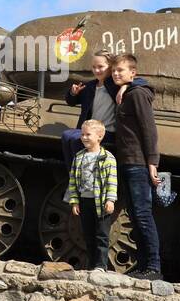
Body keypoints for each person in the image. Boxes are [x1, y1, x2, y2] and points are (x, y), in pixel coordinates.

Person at [112, 53, 162, 279]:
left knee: (142, 215)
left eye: (120, 70)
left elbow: (148, 128)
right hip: (127, 161)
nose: (115, 73)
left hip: (138, 163)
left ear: (133, 73)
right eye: (114, 70)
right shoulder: (129, 92)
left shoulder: (139, 94)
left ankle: (153, 267)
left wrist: (152, 162)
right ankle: (143, 266)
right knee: (134, 214)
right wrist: (125, 87)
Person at [61, 50, 147, 167]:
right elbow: (71, 101)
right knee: (67, 135)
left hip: (107, 132)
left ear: (110, 67)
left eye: (101, 67)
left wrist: (125, 86)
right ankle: (73, 172)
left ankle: (81, 171)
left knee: (77, 139)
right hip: (90, 129)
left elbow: (142, 82)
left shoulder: (115, 85)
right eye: (94, 67)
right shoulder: (90, 86)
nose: (97, 70)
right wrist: (73, 93)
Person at [67, 119, 117, 271]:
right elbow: (74, 181)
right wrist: (74, 201)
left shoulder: (108, 158)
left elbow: (112, 181)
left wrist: (110, 199)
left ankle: (101, 266)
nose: (84, 137)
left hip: (101, 202)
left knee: (101, 235)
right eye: (82, 134)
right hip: (85, 200)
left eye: (88, 134)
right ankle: (91, 264)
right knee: (88, 235)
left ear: (100, 136)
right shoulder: (79, 157)